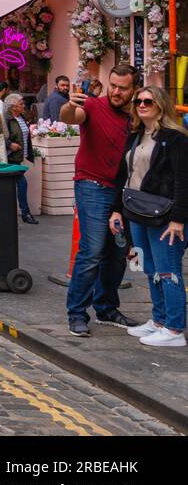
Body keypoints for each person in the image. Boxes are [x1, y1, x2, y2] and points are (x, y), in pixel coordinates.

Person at [59, 63, 139, 337]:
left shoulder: (137, 115)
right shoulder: (93, 106)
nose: (116, 92)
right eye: (113, 85)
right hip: (92, 185)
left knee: (117, 255)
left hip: (123, 192)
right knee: (92, 251)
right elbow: (71, 117)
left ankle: (105, 308)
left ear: (133, 89)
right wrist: (70, 104)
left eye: (123, 88)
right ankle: (77, 313)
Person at [111, 85, 188, 348]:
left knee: (168, 271)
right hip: (138, 212)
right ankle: (158, 320)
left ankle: (175, 329)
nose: (142, 105)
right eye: (138, 101)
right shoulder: (134, 136)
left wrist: (178, 219)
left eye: (148, 101)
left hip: (166, 217)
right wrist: (116, 210)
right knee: (150, 269)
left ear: (161, 105)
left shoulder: (175, 138)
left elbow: (183, 181)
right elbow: (124, 176)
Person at [3, 93, 39, 224]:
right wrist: (9, 144)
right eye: (21, 104)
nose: (24, 106)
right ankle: (25, 213)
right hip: (10, 158)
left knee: (18, 185)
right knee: (21, 184)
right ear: (13, 107)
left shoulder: (21, 117)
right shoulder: (6, 119)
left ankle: (20, 213)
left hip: (19, 157)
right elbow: (0, 136)